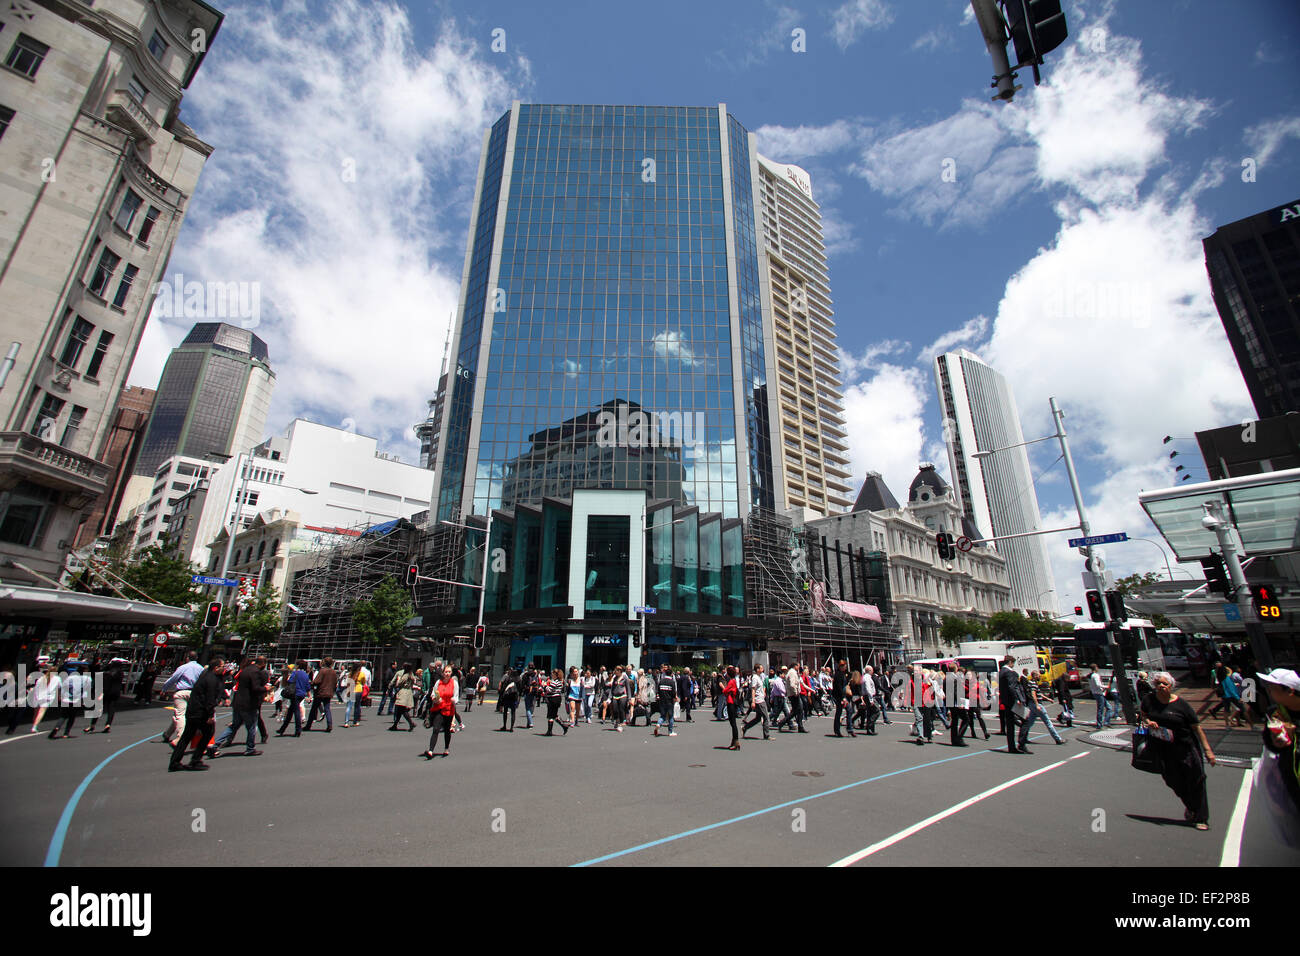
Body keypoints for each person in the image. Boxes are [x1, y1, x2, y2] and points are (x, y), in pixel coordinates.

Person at [1140, 672, 1216, 830]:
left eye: (1164, 683)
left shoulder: (1182, 705)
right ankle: (1191, 807)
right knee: (1173, 780)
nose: (1161, 686)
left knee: (1197, 780)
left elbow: (1197, 728)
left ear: (1171, 686)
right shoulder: (1149, 700)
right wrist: (1149, 722)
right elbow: (1144, 715)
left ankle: (1201, 817)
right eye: (1158, 683)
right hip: (1163, 747)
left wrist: (1208, 751)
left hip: (1186, 747)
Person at [169, 657, 224, 772]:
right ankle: (196, 760)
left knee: (186, 736)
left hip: (193, 710)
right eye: (222, 666)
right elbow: (209, 698)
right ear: (216, 667)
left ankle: (175, 762)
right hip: (200, 712)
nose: (223, 668)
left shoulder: (205, 675)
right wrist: (210, 715)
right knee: (208, 733)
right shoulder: (211, 679)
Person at [211, 656, 266, 757]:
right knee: (251, 726)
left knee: (234, 725)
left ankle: (215, 745)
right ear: (263, 664)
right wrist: (265, 689)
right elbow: (256, 688)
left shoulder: (245, 670)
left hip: (238, 701)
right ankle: (250, 748)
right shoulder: (256, 672)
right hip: (248, 703)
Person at [159, 652, 204, 743]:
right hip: (194, 694)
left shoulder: (183, 667)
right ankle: (168, 734)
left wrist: (164, 689)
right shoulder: (201, 668)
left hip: (182, 692)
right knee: (181, 714)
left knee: (180, 714)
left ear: (187, 658)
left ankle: (181, 735)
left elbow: (173, 678)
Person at [1019, 671, 1064, 747]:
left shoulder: (1033, 683)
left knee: (1030, 722)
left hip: (1032, 705)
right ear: (1035, 676)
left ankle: (1023, 737)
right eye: (1038, 675)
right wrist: (1037, 705)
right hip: (1036, 705)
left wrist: (1048, 699)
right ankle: (1058, 739)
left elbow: (1039, 694)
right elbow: (1033, 695)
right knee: (1048, 722)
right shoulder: (1032, 683)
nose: (1039, 676)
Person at [422, 665, 458, 758]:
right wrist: (434, 698)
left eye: (449, 672)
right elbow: (434, 693)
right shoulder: (439, 682)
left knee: (447, 730)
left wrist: (454, 699)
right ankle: (430, 751)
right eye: (446, 672)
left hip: (449, 709)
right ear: (443, 672)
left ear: (451, 673)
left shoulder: (454, 683)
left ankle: (446, 748)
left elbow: (456, 696)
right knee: (436, 729)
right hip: (439, 708)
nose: (447, 674)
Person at [84, 659, 125, 733]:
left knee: (98, 708)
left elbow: (105, 684)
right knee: (111, 709)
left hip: (106, 692)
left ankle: (92, 725)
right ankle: (108, 724)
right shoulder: (121, 673)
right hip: (115, 693)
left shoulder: (108, 674)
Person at [276, 659, 312, 737]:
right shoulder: (305, 675)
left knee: (296, 712)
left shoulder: (295, 673)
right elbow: (307, 686)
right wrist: (309, 695)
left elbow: (290, 682)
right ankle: (282, 728)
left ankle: (298, 730)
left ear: (298, 665)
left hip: (295, 693)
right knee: (290, 712)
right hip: (301, 694)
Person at [1000, 656, 1028, 754]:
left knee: (1010, 724)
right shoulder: (1010, 673)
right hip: (1013, 701)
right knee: (1026, 720)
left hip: (1006, 701)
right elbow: (1012, 687)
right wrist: (1018, 699)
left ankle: (1011, 746)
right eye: (1013, 663)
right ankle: (1022, 743)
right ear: (1010, 662)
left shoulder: (1001, 672)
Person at [306, 658, 337, 732]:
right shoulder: (333, 672)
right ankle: (329, 725)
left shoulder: (322, 671)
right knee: (327, 708)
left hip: (320, 692)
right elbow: (335, 682)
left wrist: (312, 683)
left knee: (314, 709)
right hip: (329, 692)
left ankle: (308, 725)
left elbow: (317, 681)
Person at [742, 663, 770, 740]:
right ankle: (766, 735)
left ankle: (745, 727)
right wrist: (753, 701)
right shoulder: (755, 678)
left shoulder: (759, 677)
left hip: (761, 698)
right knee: (766, 717)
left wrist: (763, 693)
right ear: (757, 669)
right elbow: (753, 689)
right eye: (761, 668)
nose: (762, 669)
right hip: (759, 700)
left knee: (758, 718)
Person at [388, 663, 416, 731]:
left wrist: (392, 686)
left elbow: (399, 683)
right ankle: (395, 725)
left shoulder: (405, 675)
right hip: (409, 692)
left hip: (403, 692)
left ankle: (411, 723)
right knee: (400, 710)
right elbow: (414, 682)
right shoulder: (411, 674)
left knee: (402, 710)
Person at [832, 660, 855, 738]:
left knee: (843, 711)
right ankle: (847, 729)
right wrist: (843, 698)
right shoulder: (838, 675)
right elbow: (839, 687)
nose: (846, 667)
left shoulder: (843, 674)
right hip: (839, 696)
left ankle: (842, 729)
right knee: (845, 711)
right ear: (841, 666)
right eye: (845, 666)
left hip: (842, 696)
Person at [543, 668, 570, 736]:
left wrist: (545, 686)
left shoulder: (555, 682)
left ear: (555, 674)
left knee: (550, 715)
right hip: (557, 698)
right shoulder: (560, 682)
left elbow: (550, 690)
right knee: (554, 715)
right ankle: (564, 726)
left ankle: (549, 731)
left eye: (552, 674)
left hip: (553, 699)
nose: (552, 675)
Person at [721, 665, 742, 750]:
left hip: (731, 702)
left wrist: (726, 689)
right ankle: (734, 741)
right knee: (733, 722)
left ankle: (736, 741)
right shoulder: (734, 681)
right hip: (733, 701)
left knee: (733, 723)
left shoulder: (731, 681)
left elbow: (724, 690)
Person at [654, 664, 678, 737]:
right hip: (669, 701)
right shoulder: (672, 682)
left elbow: (658, 690)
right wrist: (675, 698)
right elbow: (673, 692)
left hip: (662, 700)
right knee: (670, 716)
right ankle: (670, 731)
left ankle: (659, 723)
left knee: (663, 715)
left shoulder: (661, 681)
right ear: (671, 674)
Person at [343, 663, 367, 727]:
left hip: (351, 690)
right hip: (358, 690)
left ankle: (346, 722)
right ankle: (355, 721)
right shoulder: (361, 674)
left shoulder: (350, 674)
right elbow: (364, 682)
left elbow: (348, 682)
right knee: (357, 706)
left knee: (349, 707)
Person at [608, 665, 630, 732]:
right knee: (615, 710)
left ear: (620, 671)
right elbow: (612, 688)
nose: (615, 672)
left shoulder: (625, 678)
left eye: (617, 671)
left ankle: (620, 724)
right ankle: (617, 721)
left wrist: (629, 698)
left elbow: (628, 688)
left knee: (621, 710)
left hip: (622, 696)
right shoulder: (615, 678)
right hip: (615, 696)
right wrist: (609, 697)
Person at [1087, 664, 1109, 730]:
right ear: (1095, 668)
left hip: (1095, 692)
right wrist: (1106, 687)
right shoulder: (1095, 675)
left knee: (1108, 707)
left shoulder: (1090, 675)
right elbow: (1098, 684)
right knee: (1100, 709)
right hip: (1099, 693)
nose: (1098, 668)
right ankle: (1100, 724)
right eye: (1097, 667)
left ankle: (1106, 721)